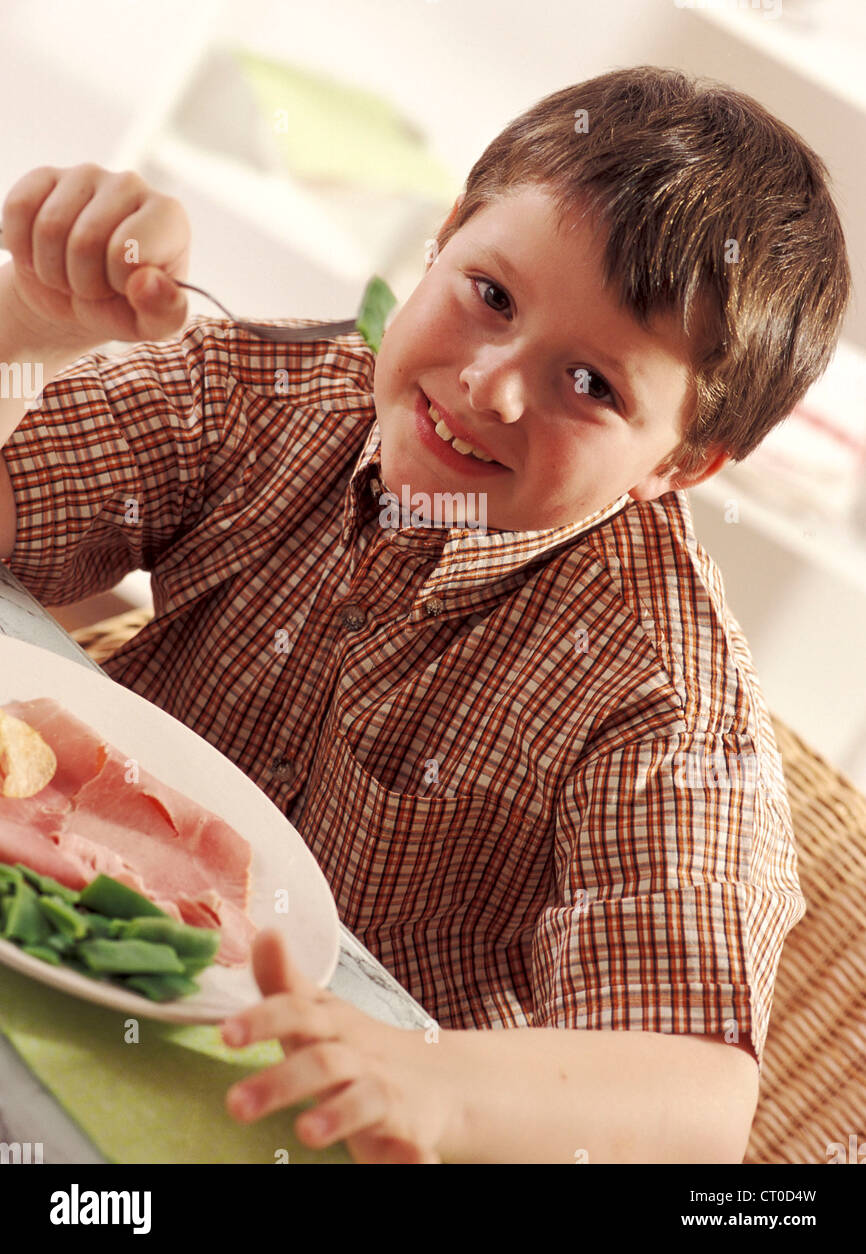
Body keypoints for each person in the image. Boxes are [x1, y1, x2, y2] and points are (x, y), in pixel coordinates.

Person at [0, 66, 849, 1164]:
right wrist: (28, 321)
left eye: (590, 384)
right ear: (442, 236)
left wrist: (431, 1083)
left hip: (302, 1112)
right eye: (490, 295)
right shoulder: (262, 392)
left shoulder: (663, 699)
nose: (491, 385)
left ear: (682, 461)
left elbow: (692, 1100)